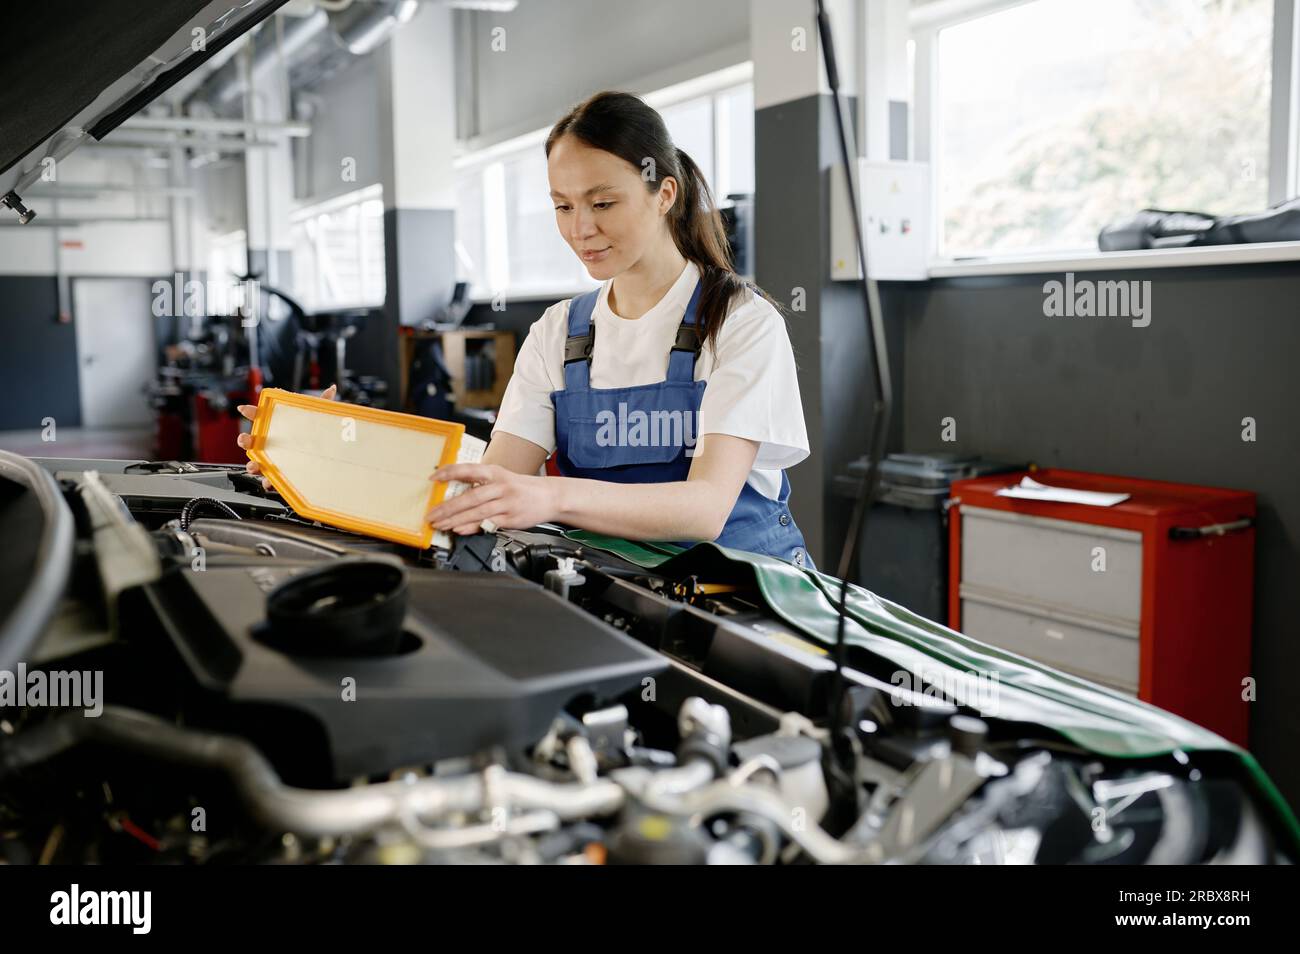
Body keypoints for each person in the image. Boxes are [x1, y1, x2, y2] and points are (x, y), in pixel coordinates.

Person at [244, 90, 814, 567]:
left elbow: (706, 508)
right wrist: (325, 459)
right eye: (563, 207)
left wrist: (548, 495)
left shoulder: (741, 323)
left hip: (744, 598)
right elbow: (486, 487)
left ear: (664, 193)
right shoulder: (560, 332)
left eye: (603, 203)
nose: (580, 229)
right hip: (619, 588)